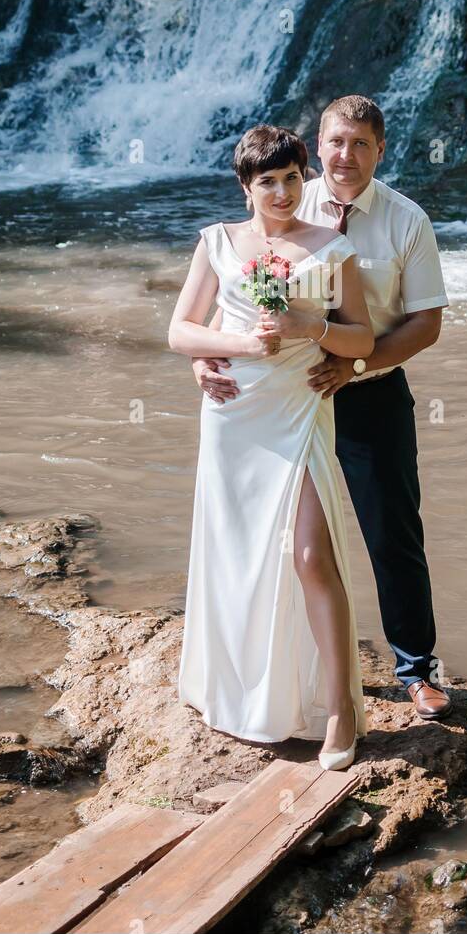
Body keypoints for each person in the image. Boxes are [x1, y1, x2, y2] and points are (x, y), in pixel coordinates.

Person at [192, 95, 452, 721]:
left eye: (362, 144)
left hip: (368, 391)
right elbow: (224, 296)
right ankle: (281, 676)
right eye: (337, 141)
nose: (346, 155)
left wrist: (356, 364)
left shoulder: (406, 221)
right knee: (286, 541)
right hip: (282, 401)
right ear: (319, 144)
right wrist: (206, 358)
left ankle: (416, 669)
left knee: (391, 530)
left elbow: (427, 325)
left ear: (380, 151)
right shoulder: (283, 196)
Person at [168, 123, 374, 770]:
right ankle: (242, 690)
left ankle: (338, 707)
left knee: (311, 556)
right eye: (268, 183)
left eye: (292, 178)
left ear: (304, 176)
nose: (282, 193)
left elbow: (362, 339)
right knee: (238, 554)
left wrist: (308, 326)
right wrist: (236, 347)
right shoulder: (217, 243)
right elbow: (180, 330)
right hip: (234, 419)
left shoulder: (332, 248)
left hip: (300, 410)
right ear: (245, 187)